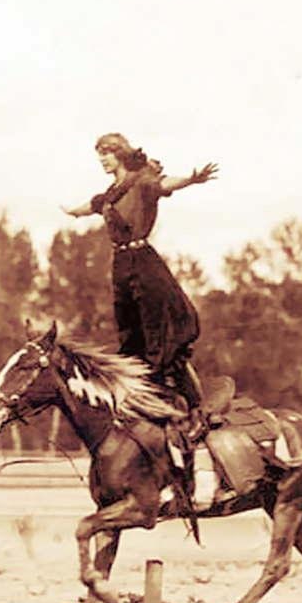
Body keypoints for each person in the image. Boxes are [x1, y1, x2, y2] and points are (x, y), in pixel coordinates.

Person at [63, 132, 217, 437]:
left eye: (106, 154)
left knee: (161, 342)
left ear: (119, 153)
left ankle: (197, 409)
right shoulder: (111, 193)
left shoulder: (142, 183)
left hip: (144, 264)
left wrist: (191, 179)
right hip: (121, 266)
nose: (103, 160)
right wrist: (71, 212)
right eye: (100, 155)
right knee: (131, 341)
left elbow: (164, 185)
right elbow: (91, 206)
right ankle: (143, 408)